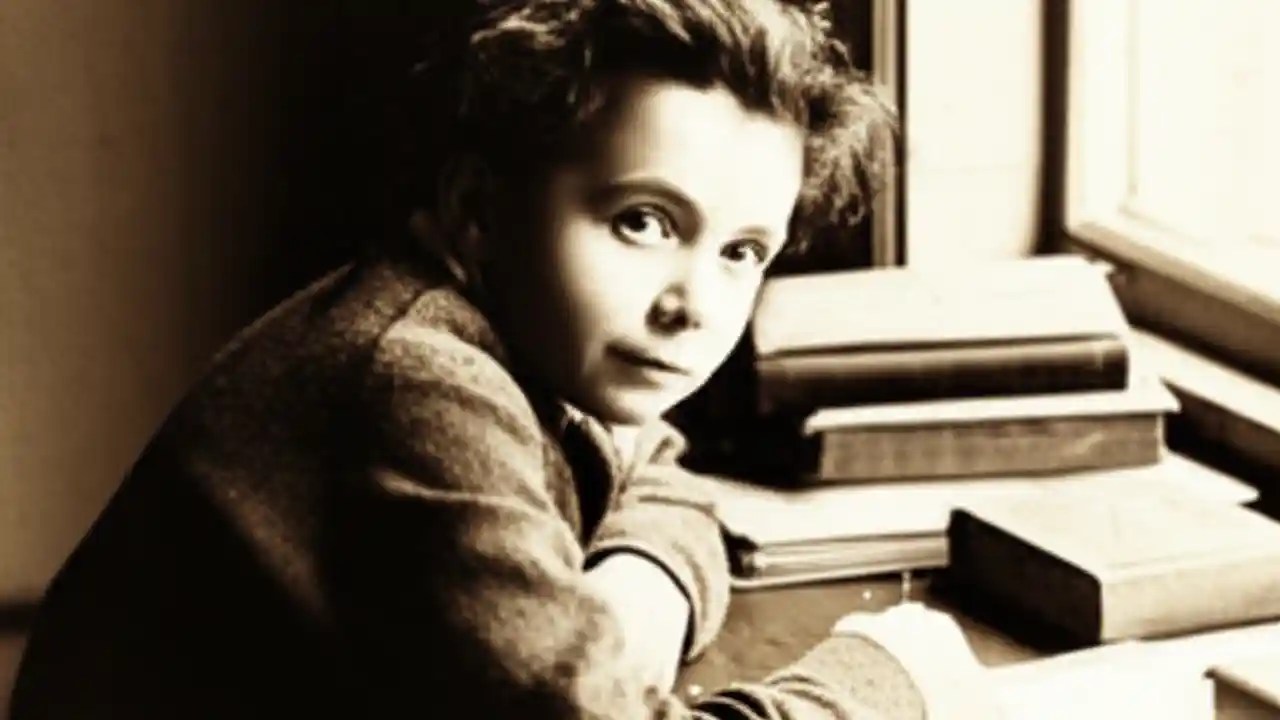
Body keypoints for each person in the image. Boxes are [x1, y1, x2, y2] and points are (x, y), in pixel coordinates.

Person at [10, 1, 999, 717]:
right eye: (642, 222)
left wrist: (636, 591)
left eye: (741, 251)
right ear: (480, 210)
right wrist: (876, 682)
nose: (692, 304)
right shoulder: (417, 382)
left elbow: (657, 470)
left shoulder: (527, 345)